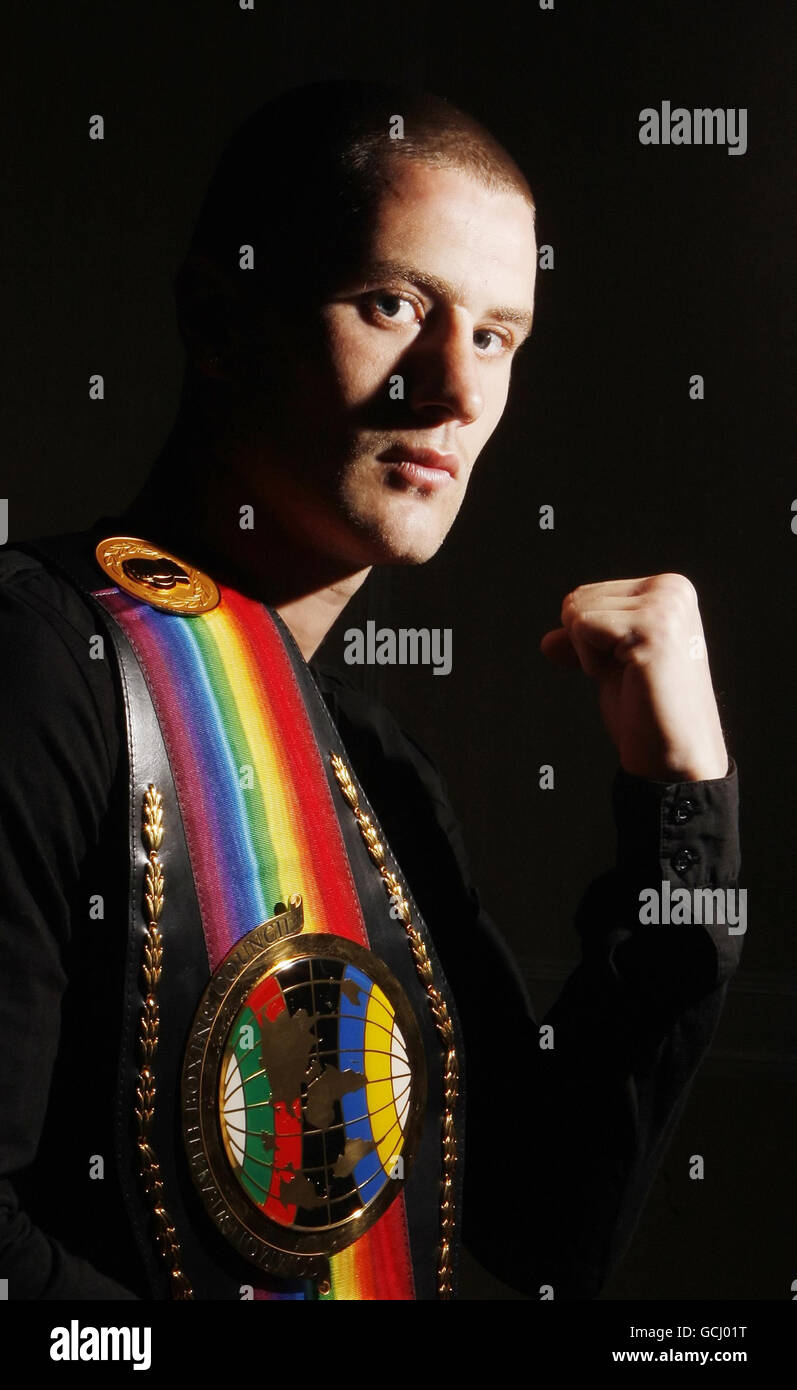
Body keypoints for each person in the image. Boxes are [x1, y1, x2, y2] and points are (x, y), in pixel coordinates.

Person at [0, 81, 741, 1301]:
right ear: (218, 316)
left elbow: (541, 1222)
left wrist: (684, 817)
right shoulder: (36, 666)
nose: (454, 387)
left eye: (497, 335)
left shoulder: (370, 757)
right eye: (394, 304)